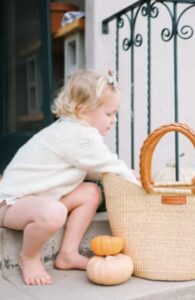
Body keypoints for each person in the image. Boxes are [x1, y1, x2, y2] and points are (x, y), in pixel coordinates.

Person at [0, 69, 139, 286]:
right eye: (108, 114)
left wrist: (127, 173)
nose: (113, 121)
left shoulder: (74, 128)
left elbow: (97, 167)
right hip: (12, 204)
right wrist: (139, 185)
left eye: (115, 115)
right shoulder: (79, 135)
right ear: (83, 110)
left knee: (91, 192)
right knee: (55, 212)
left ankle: (67, 254)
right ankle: (29, 257)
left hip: (40, 201)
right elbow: (110, 166)